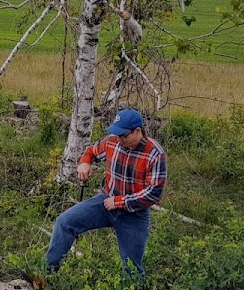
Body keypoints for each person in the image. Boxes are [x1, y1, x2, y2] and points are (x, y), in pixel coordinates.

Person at [45, 108, 167, 278]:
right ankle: (48, 275)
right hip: (104, 201)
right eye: (117, 134)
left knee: (132, 268)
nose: (119, 139)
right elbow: (91, 151)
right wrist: (85, 163)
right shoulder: (112, 142)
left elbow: (154, 193)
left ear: (138, 131)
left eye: (123, 135)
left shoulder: (155, 153)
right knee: (64, 222)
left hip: (134, 214)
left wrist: (119, 202)